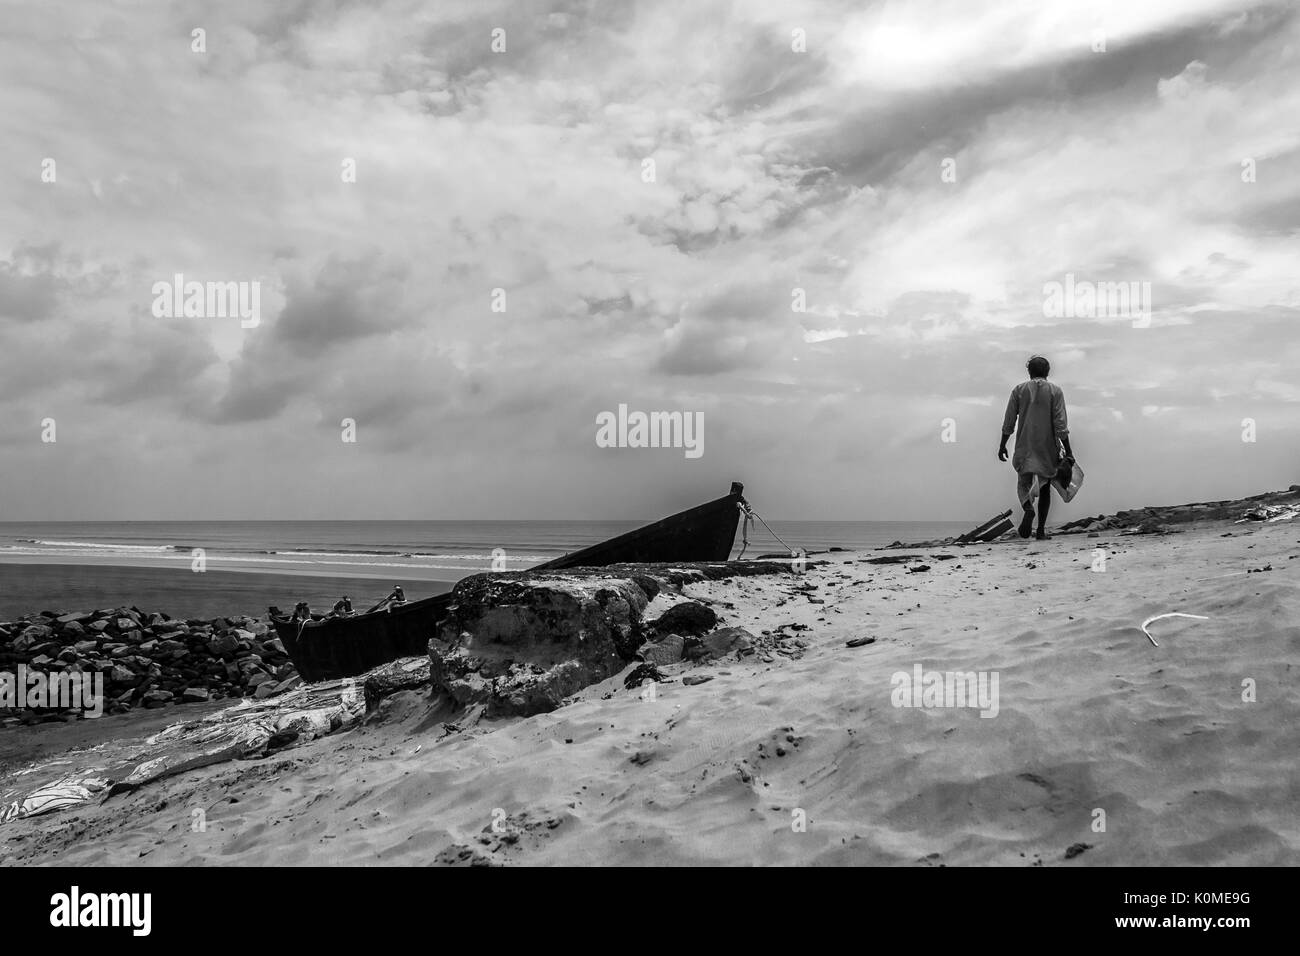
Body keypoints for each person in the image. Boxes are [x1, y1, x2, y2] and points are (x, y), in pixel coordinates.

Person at [998, 355, 1073, 540]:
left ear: (1029, 371)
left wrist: (1002, 444)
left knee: (1023, 483)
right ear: (1047, 372)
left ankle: (1028, 508)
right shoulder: (1055, 391)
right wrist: (1069, 451)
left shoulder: (1019, 390)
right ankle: (1040, 530)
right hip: (1048, 446)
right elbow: (1060, 424)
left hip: (1025, 444)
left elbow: (1009, 420)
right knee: (1045, 485)